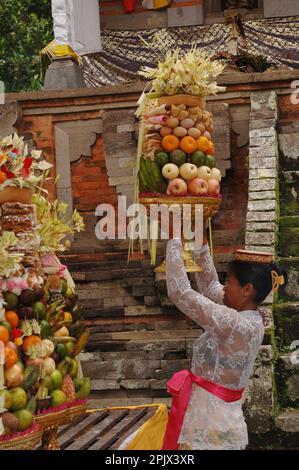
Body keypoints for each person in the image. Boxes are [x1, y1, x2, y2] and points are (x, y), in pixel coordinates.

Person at [162, 230, 286, 450]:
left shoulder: (233, 323)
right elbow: (210, 287)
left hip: (210, 429)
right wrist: (201, 245)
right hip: (220, 422)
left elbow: (180, 292)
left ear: (247, 290)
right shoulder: (250, 319)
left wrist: (173, 242)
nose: (225, 286)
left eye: (229, 281)